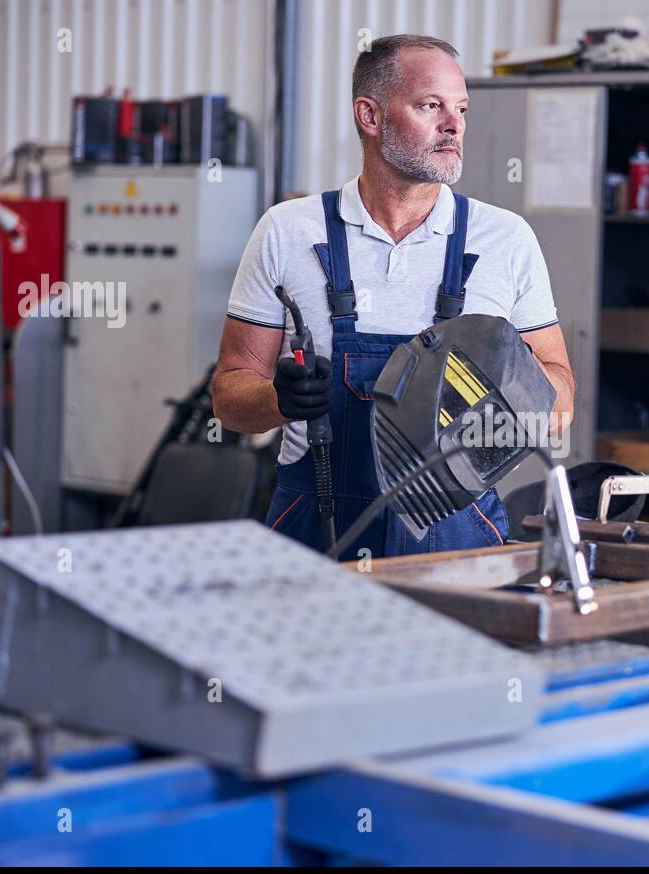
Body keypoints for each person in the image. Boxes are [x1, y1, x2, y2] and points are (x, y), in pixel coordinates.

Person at [214, 34, 574, 558]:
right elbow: (228, 398)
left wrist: (513, 396)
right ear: (370, 115)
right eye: (431, 106)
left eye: (461, 108)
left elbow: (560, 390)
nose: (454, 125)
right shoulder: (287, 231)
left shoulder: (506, 239)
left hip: (458, 535)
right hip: (318, 531)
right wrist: (277, 401)